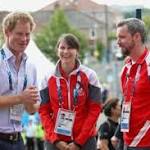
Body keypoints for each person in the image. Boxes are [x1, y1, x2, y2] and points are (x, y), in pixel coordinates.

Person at [39, 33, 102, 150]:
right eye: (62, 48)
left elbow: (95, 109)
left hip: (85, 141)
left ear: (77, 51)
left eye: (70, 48)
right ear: (57, 50)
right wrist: (55, 140)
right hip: (55, 141)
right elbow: (43, 111)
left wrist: (79, 142)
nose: (66, 51)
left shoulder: (90, 75)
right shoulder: (47, 78)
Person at [0, 11, 40, 150]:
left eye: (27, 34)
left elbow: (32, 110)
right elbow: (21, 99)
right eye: (19, 33)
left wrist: (30, 103)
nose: (24, 39)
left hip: (18, 140)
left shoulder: (31, 67)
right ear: (7, 32)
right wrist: (20, 98)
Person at [116, 18, 150, 150]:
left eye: (122, 37)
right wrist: (118, 133)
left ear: (136, 37)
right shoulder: (126, 68)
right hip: (127, 139)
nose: (118, 42)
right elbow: (126, 103)